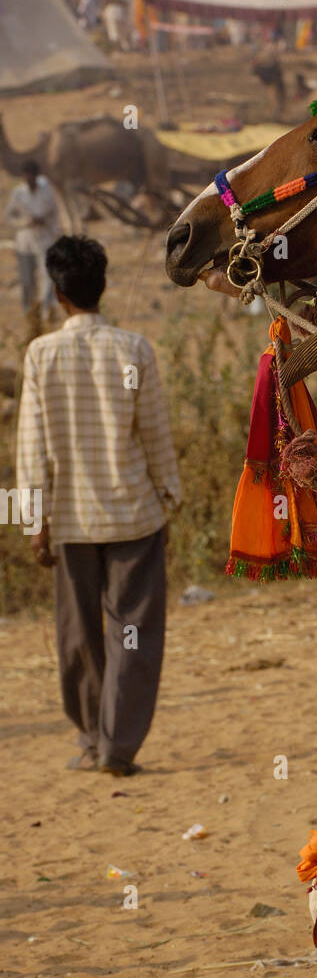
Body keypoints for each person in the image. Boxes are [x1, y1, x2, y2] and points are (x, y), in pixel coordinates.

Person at [16, 235, 181, 777]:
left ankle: (91, 737)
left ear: (60, 296)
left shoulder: (42, 354)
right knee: (133, 632)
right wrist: (169, 496)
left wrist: (32, 522)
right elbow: (155, 433)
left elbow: (32, 445)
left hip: (71, 519)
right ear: (102, 288)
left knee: (80, 635)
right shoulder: (134, 350)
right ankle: (118, 747)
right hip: (134, 513)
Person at [5, 160, 61, 329]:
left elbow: (55, 214)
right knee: (27, 280)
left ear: (36, 175)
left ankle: (46, 311)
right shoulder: (18, 194)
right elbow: (8, 218)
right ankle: (29, 312)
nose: (29, 178)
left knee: (47, 277)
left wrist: (48, 225)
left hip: (45, 239)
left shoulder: (47, 192)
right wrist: (25, 222)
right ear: (22, 176)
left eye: (31, 174)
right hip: (24, 242)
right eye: (26, 174)